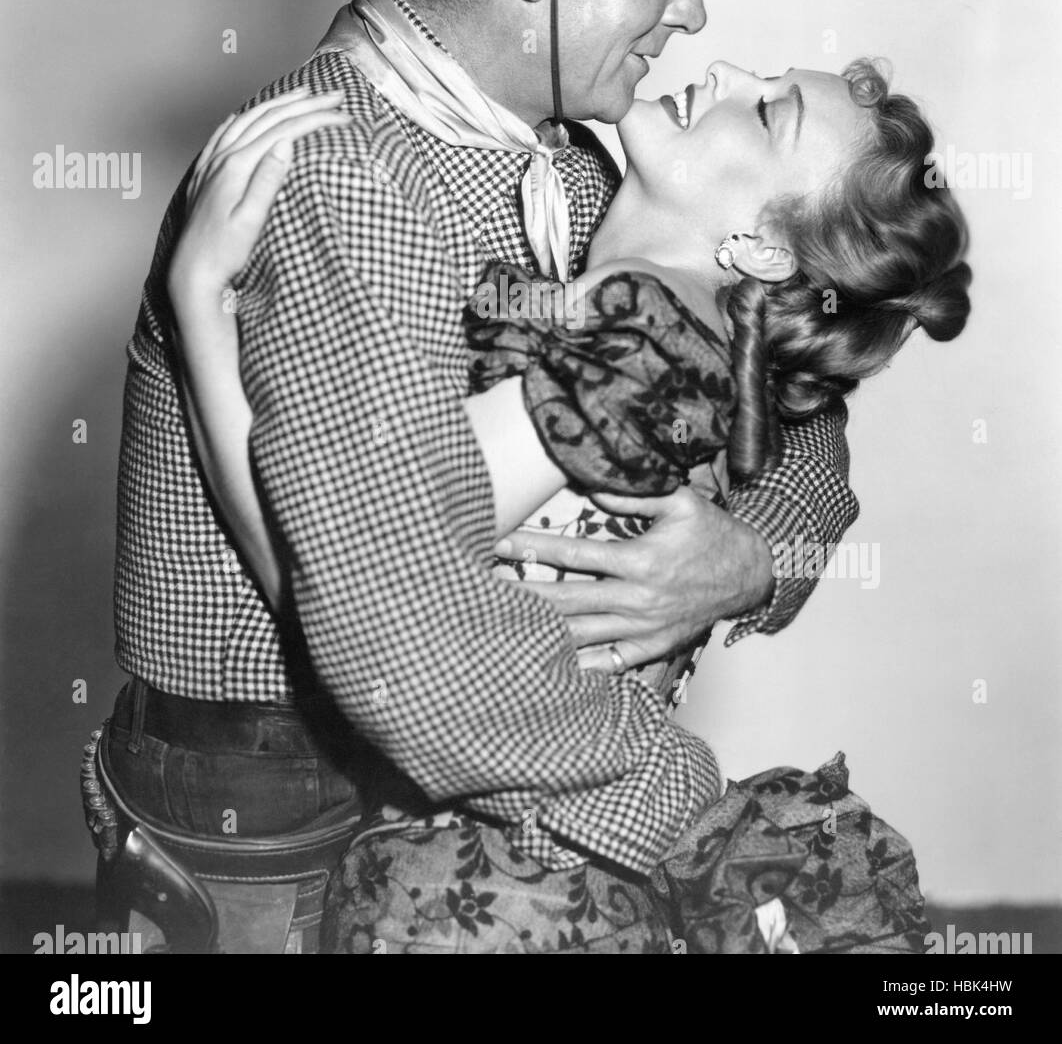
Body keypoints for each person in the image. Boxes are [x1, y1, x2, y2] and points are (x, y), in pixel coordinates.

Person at [100, 0, 861, 952]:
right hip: (289, 819)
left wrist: (750, 561)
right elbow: (403, 637)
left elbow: (805, 417)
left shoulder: (577, 164)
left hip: (496, 815)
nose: (698, 6)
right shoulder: (341, 178)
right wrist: (706, 823)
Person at [169, 53, 970, 953]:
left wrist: (198, 301)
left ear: (764, 248)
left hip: (494, 903)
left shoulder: (646, 349)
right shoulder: (682, 327)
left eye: (766, 112)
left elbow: (338, 558)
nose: (727, 68)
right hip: (553, 872)